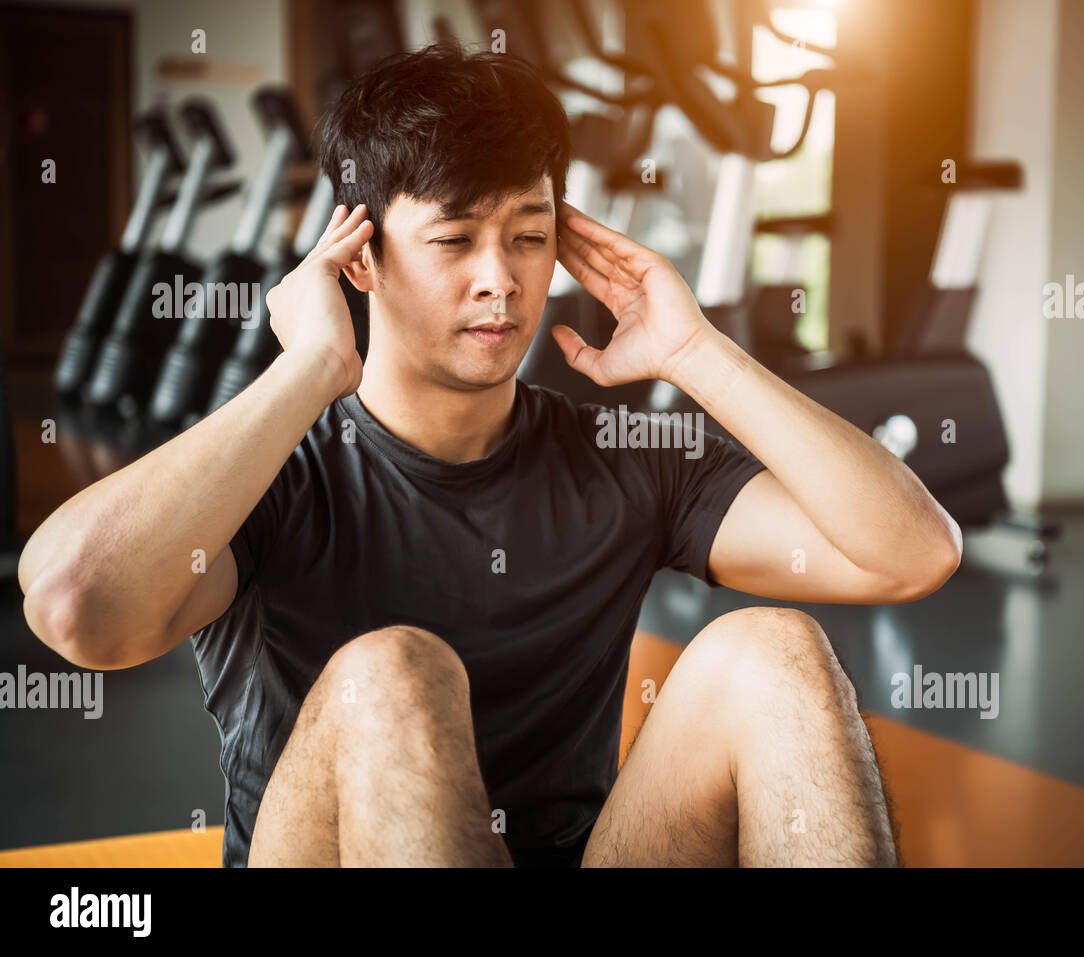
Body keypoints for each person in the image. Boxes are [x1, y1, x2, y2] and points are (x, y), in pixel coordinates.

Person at [17, 41, 961, 868]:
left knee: (774, 649)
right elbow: (76, 609)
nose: (501, 281)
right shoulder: (277, 469)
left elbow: (914, 552)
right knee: (395, 671)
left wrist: (694, 352)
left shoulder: (621, 455)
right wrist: (306, 369)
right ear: (360, 257)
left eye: (529, 237)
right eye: (454, 239)